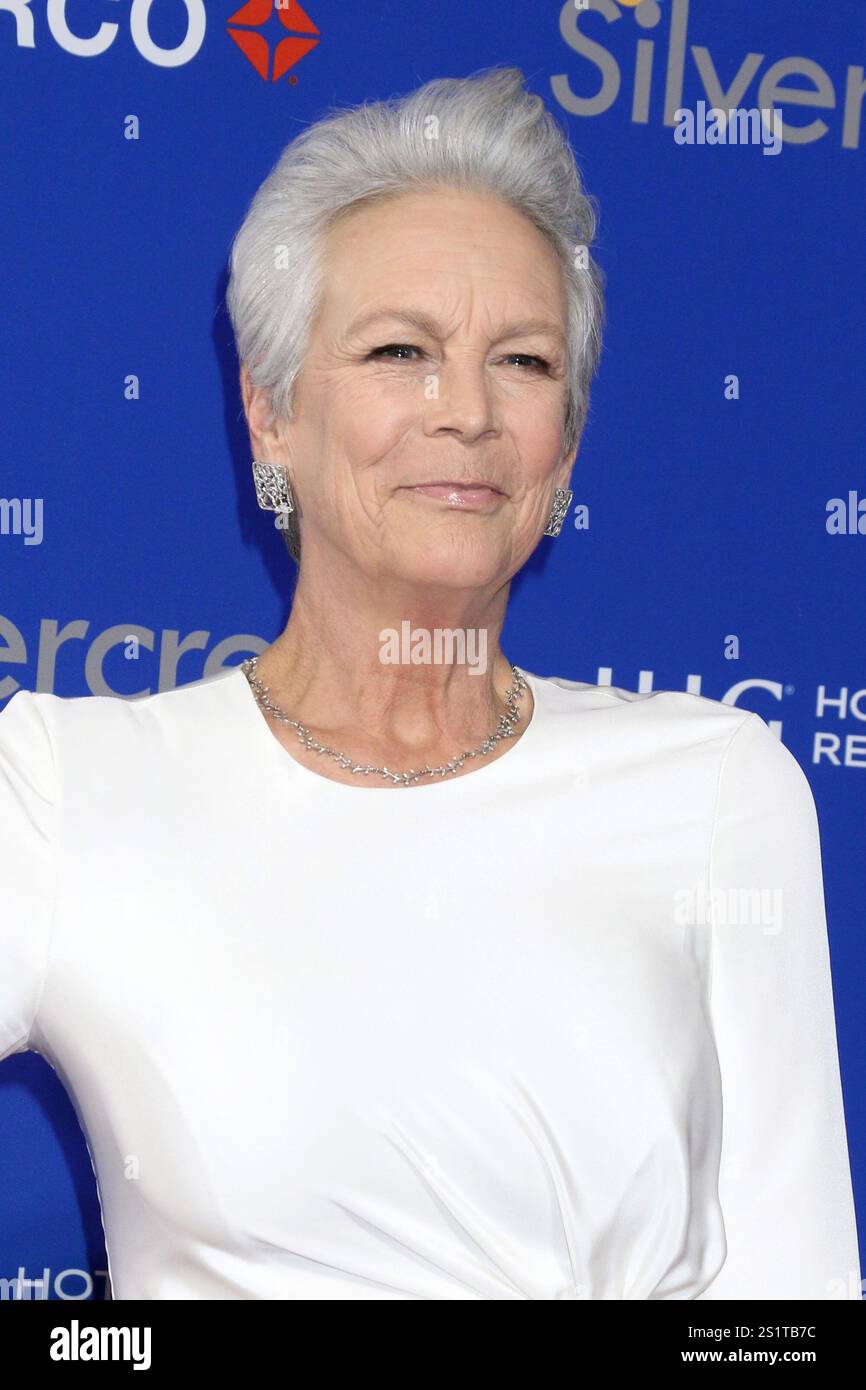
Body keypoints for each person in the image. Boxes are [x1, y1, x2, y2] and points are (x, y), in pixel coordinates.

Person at [0, 66, 859, 1300]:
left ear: (563, 440)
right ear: (270, 412)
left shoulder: (718, 788)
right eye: (399, 350)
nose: (463, 413)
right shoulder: (72, 786)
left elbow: (795, 1309)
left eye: (521, 361)